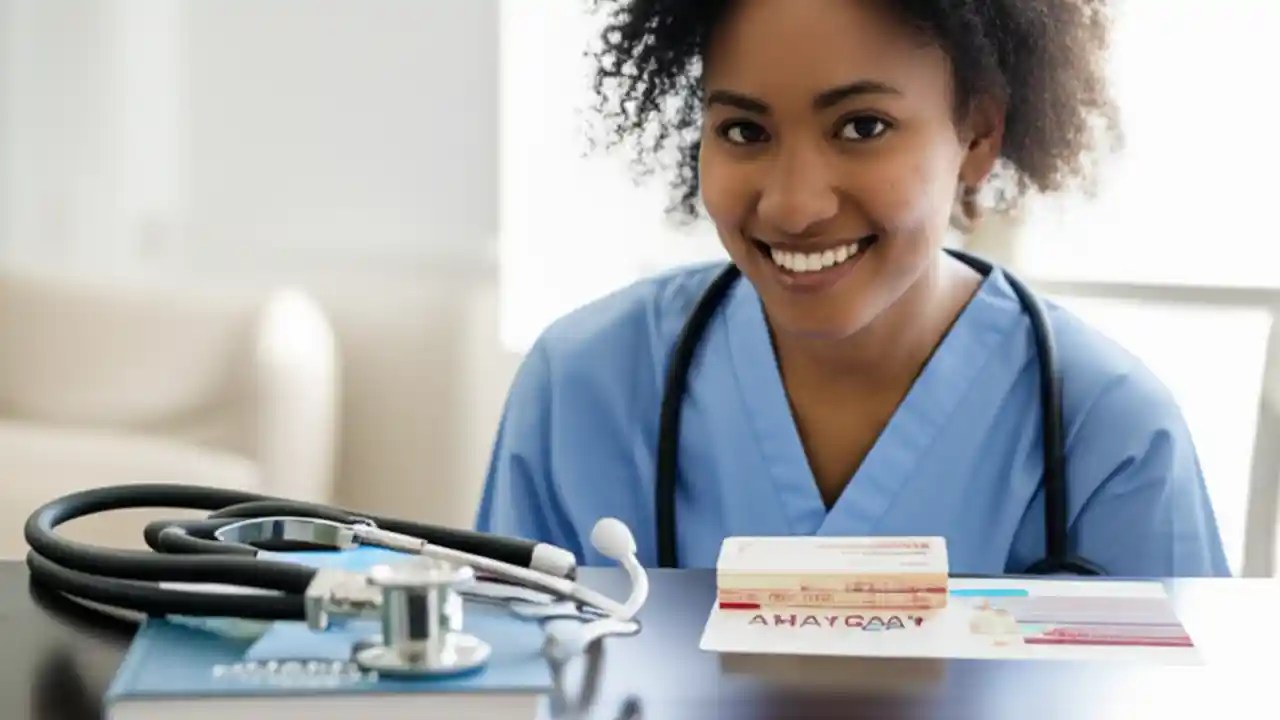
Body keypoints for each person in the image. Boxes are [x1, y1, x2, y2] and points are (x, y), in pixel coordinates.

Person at [475, 0, 1231, 577]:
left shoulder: (1108, 432)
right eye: (744, 131)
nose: (793, 205)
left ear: (977, 137)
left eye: (862, 127)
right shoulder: (582, 388)